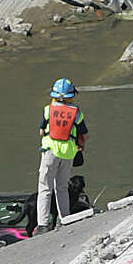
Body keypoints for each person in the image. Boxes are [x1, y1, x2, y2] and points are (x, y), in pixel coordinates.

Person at [37, 77, 88, 231]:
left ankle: (43, 225)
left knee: (45, 188)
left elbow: (41, 132)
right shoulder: (76, 113)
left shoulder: (48, 110)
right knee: (62, 187)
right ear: (71, 95)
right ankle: (65, 218)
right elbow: (85, 136)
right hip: (68, 154)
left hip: (50, 152)